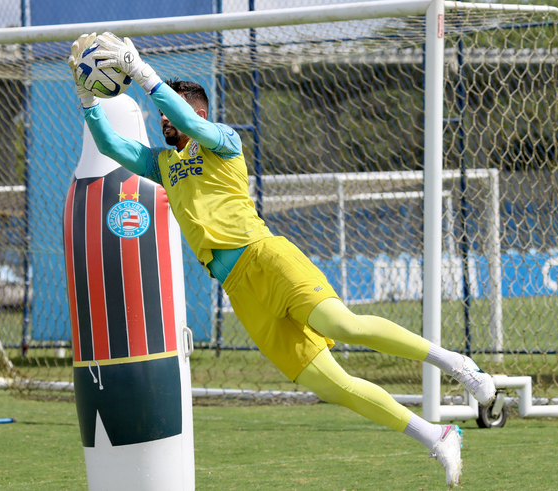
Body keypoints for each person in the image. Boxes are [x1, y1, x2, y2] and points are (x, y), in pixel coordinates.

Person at [68, 32, 496, 488]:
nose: (164, 125)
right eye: (162, 119)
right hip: (238, 288)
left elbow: (189, 125)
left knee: (342, 325)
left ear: (198, 113)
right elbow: (113, 148)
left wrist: (143, 73)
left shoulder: (221, 141)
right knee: (331, 385)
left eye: (172, 117)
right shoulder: (164, 165)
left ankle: (460, 366)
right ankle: (438, 436)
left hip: (266, 255)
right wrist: (87, 100)